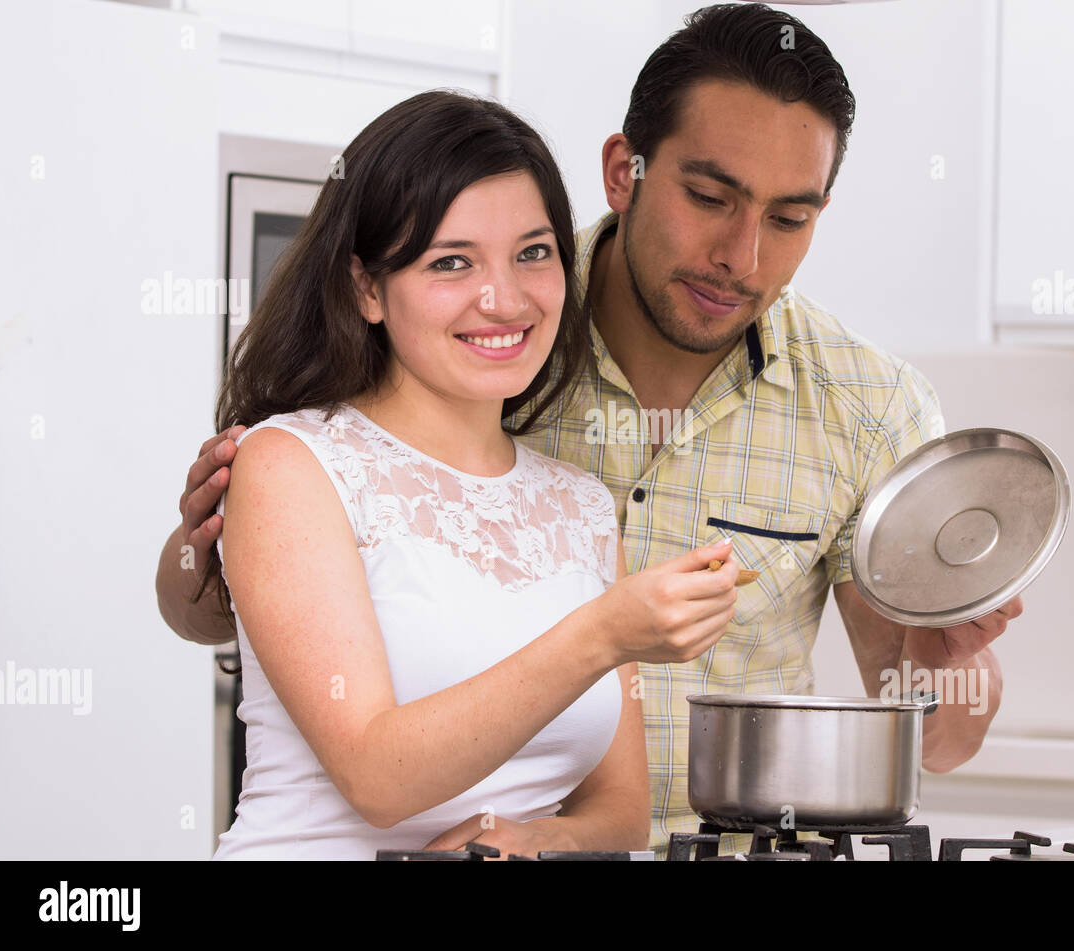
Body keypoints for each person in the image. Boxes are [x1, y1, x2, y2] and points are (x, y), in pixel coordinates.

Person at [157, 3, 1022, 855]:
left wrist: (950, 653)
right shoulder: (496, 328)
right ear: (625, 171)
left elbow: (935, 739)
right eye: (709, 196)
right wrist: (204, 548)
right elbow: (257, 600)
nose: (743, 256)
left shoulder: (864, 408)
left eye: (789, 219)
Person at [194, 89, 745, 859]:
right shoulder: (292, 463)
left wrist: (525, 838)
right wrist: (602, 633)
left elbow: (620, 812)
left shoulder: (581, 504)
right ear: (366, 288)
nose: (506, 299)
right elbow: (376, 777)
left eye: (533, 252)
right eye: (452, 262)